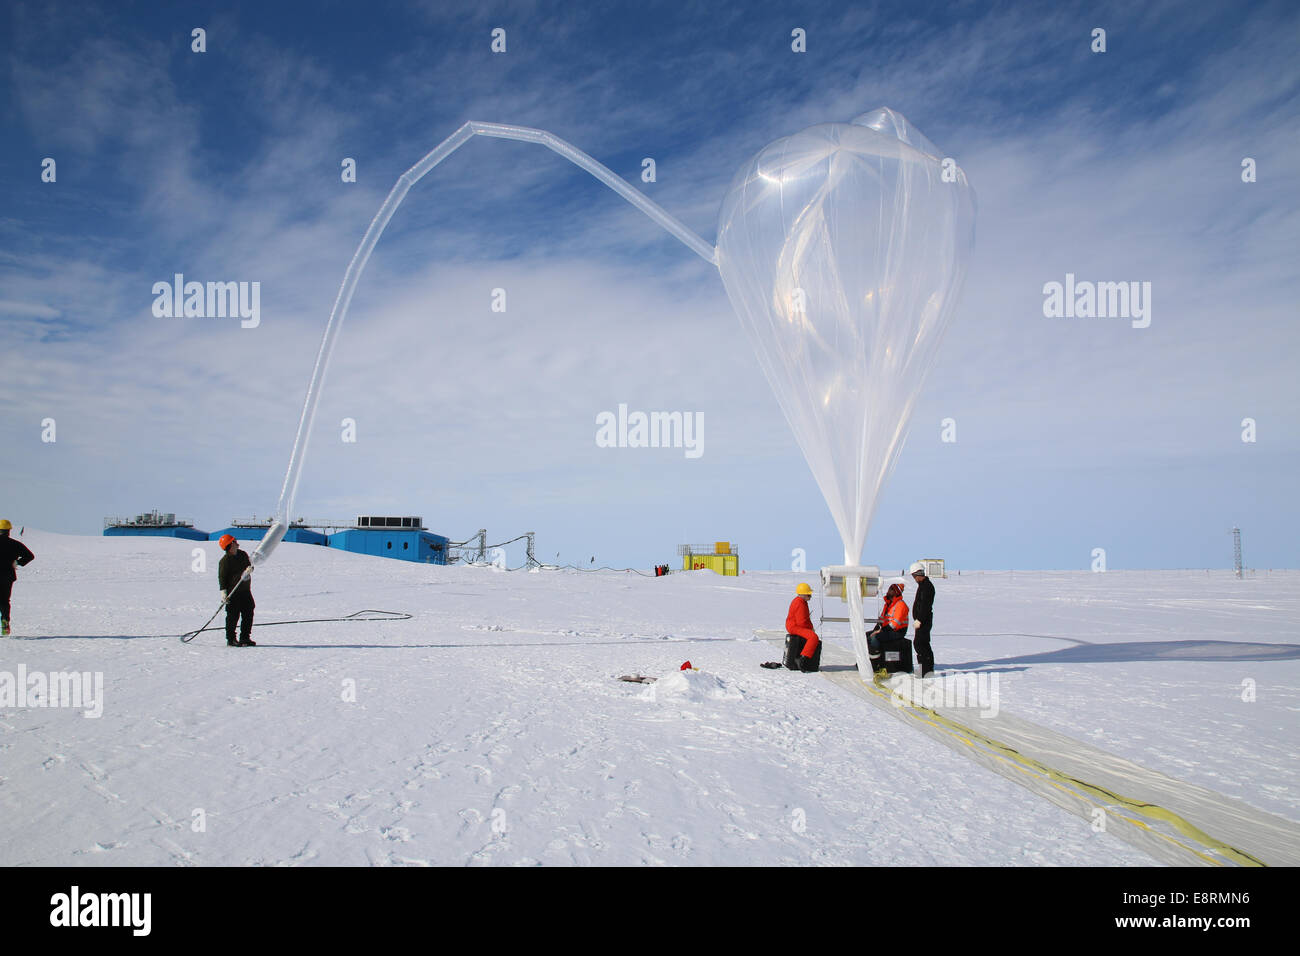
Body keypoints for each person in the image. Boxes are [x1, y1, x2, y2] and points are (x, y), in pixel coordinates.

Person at [218, 534, 256, 646]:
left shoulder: (242, 554)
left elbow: (250, 565)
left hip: (245, 590)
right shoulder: (225, 561)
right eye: (234, 541)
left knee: (249, 612)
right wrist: (224, 593)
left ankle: (245, 637)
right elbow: (222, 577)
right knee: (232, 615)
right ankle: (231, 639)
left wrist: (250, 568)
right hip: (233, 593)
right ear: (230, 545)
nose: (236, 542)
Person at [0, 519, 35, 637]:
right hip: (8, 576)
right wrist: (18, 562)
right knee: (4, 601)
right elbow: (30, 556)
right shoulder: (15, 544)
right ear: (9, 531)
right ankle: (5, 621)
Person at [867, 582, 909, 668]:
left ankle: (875, 664)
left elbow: (895, 624)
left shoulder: (901, 605)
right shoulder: (888, 605)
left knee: (875, 638)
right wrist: (877, 628)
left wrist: (880, 631)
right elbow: (882, 619)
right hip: (887, 629)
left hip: (897, 632)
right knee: (867, 635)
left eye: (891, 589)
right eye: (889, 588)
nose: (889, 590)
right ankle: (867, 661)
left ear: (896, 592)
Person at [784, 582, 821, 672]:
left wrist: (810, 627)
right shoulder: (800, 603)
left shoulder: (800, 601)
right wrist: (810, 630)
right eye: (808, 594)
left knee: (811, 635)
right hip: (794, 627)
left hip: (794, 625)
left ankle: (802, 658)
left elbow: (805, 620)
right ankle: (802, 659)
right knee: (813, 637)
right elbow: (802, 622)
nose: (810, 596)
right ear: (803, 594)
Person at [910, 561, 936, 677]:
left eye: (914, 576)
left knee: (921, 643)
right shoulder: (923, 586)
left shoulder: (927, 587)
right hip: (921, 620)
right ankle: (924, 669)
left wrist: (919, 619)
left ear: (917, 574)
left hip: (923, 620)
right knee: (920, 643)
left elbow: (925, 605)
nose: (914, 579)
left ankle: (926, 671)